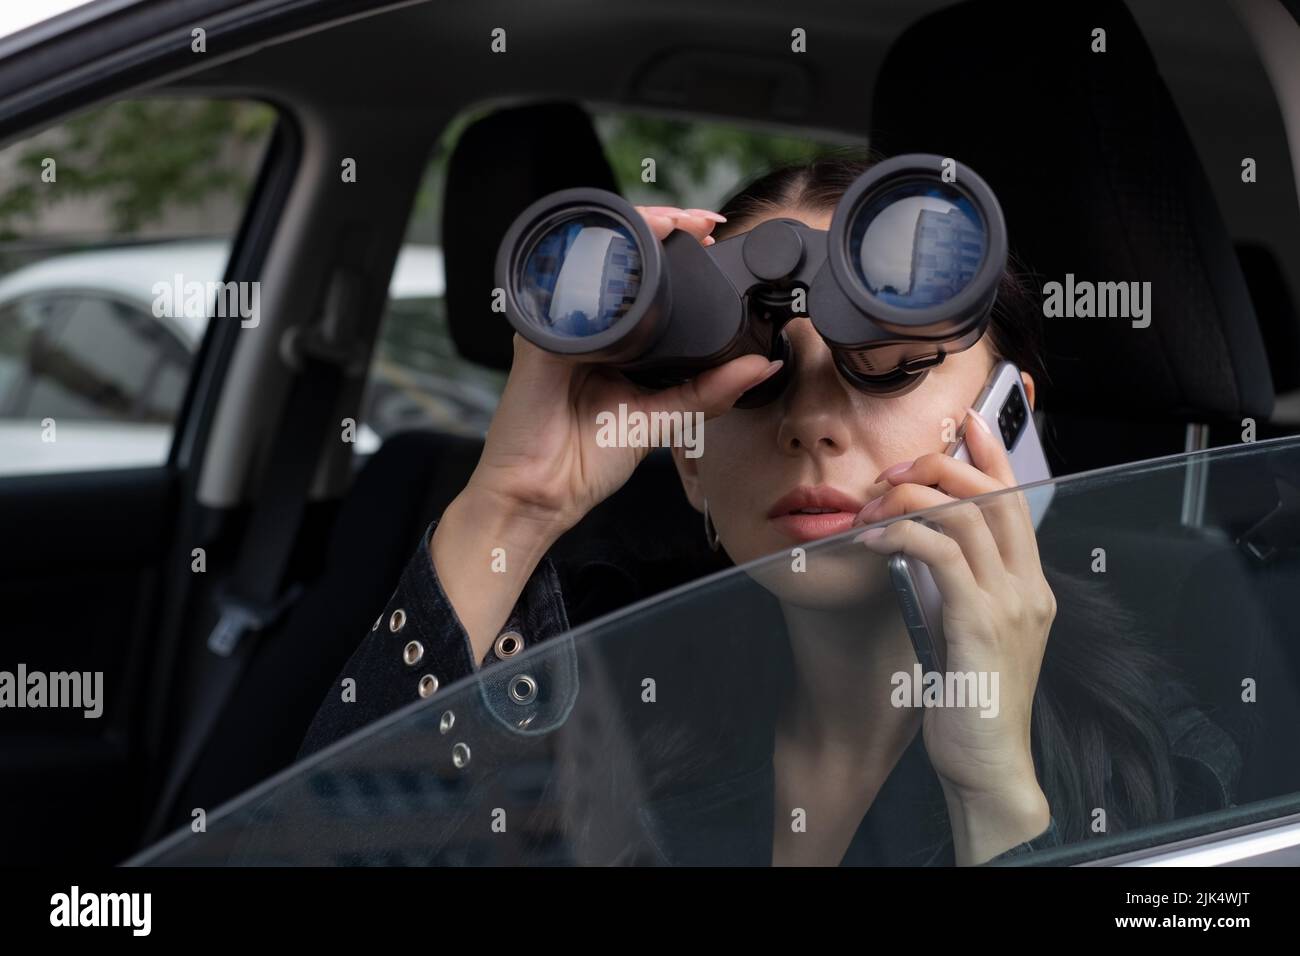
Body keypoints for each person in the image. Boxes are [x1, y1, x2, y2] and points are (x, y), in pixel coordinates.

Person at [298, 152, 1239, 866]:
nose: (813, 426)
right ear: (690, 463)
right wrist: (512, 506)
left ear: (1012, 420)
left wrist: (992, 782)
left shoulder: (1161, 762)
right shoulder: (600, 711)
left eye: (888, 360)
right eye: (758, 377)